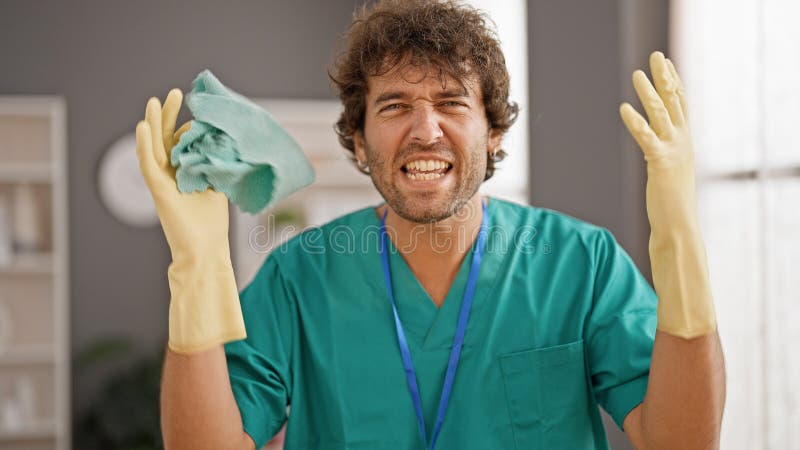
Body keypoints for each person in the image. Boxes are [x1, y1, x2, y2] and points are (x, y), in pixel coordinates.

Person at [136, 1, 725, 449]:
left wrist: (680, 236)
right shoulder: (300, 279)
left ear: (492, 132)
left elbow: (679, 440)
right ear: (360, 142)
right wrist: (197, 265)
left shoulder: (581, 264)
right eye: (394, 107)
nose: (424, 130)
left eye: (451, 103)